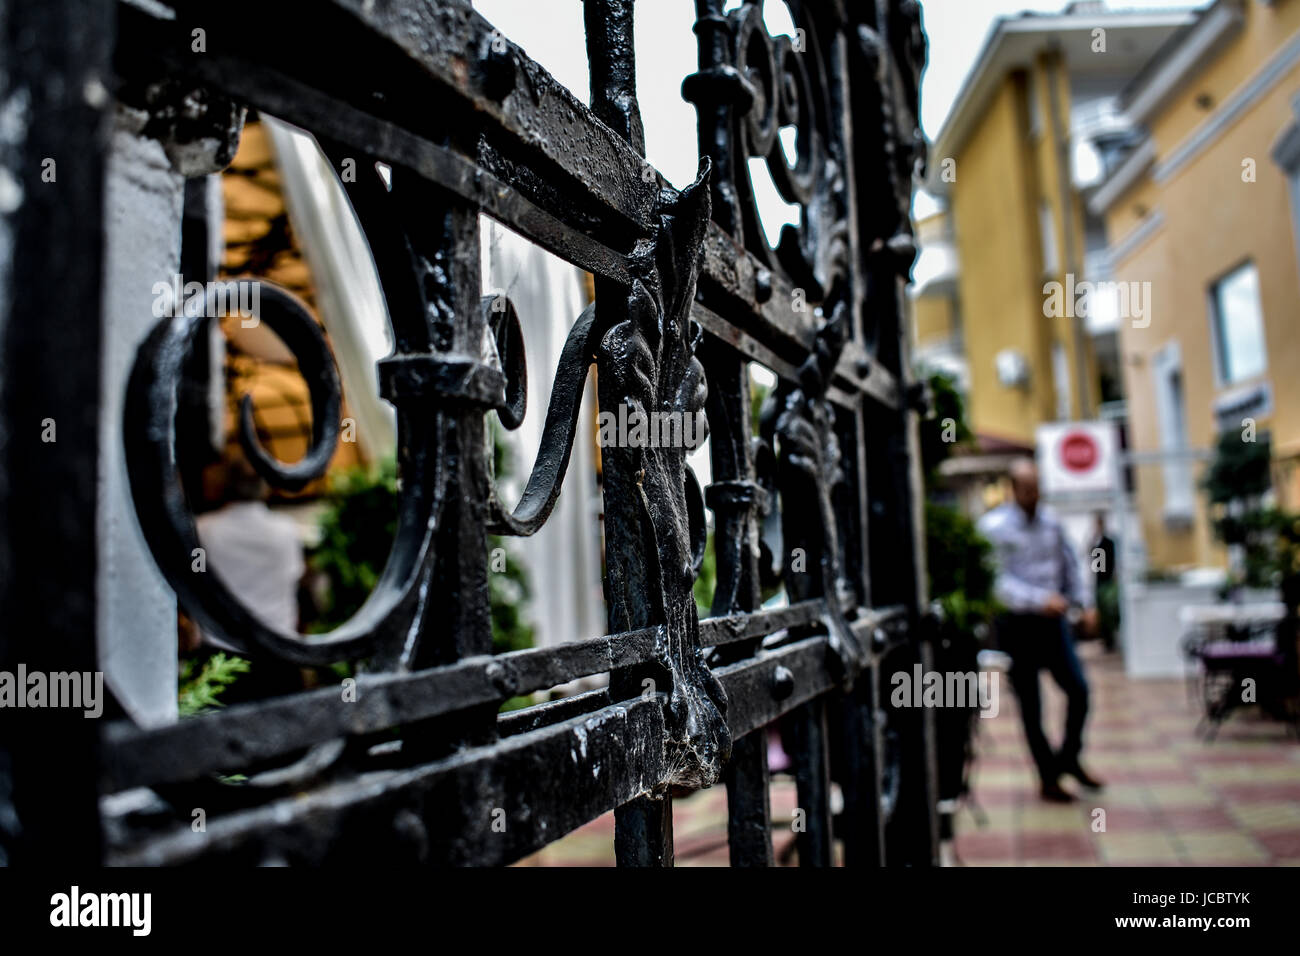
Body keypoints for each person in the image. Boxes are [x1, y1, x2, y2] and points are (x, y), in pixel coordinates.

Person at [977, 459, 1104, 802]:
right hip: (1018, 626)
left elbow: (1071, 566)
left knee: (1079, 691)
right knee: (1031, 708)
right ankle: (1049, 777)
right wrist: (1038, 599)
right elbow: (995, 581)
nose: (1033, 493)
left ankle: (1069, 758)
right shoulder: (994, 527)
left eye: (1037, 487)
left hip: (1053, 623)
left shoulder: (1052, 522)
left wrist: (1085, 603)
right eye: (1027, 487)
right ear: (1013, 489)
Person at [1090, 512, 1119, 652]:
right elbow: (1095, 564)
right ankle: (1106, 639)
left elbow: (1111, 563)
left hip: (1107, 580)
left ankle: (1110, 640)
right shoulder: (1096, 543)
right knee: (1101, 611)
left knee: (1107, 611)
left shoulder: (1108, 542)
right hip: (1099, 580)